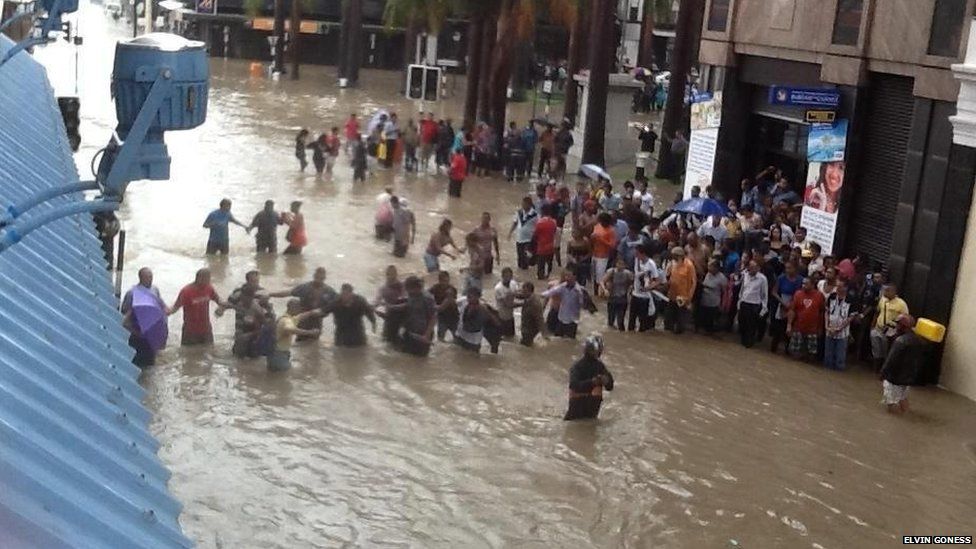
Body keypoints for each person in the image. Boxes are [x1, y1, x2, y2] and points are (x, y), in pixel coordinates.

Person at [270, 267, 337, 341]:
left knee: (314, 342)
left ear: (324, 278)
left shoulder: (329, 291)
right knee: (300, 341)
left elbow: (338, 304)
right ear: (314, 276)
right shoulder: (305, 287)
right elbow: (288, 293)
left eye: (321, 277)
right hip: (303, 319)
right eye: (317, 276)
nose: (319, 279)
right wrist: (270, 294)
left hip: (317, 321)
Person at [121, 267, 169, 367]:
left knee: (151, 364)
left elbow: (161, 305)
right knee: (137, 362)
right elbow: (124, 315)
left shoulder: (155, 289)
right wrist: (136, 332)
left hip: (151, 333)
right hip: (138, 333)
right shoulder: (131, 294)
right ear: (140, 278)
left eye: (151, 277)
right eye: (147, 277)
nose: (150, 279)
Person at [170, 268, 229, 345]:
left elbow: (219, 301)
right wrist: (166, 312)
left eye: (209, 278)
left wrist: (221, 309)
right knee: (189, 354)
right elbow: (175, 307)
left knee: (209, 351)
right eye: (207, 278)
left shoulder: (209, 288)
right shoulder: (186, 291)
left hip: (206, 329)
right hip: (190, 331)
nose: (209, 280)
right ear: (199, 278)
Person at [563, 334, 615, 421]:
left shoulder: (600, 366)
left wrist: (606, 381)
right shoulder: (577, 366)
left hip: (591, 408)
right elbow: (574, 385)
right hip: (578, 407)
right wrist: (592, 382)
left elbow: (610, 386)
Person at [880, 315, 923, 414]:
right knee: (902, 397)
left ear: (903, 326)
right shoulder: (918, 340)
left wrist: (883, 373)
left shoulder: (901, 341)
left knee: (890, 400)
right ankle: (906, 416)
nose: (896, 326)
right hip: (907, 378)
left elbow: (891, 360)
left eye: (898, 324)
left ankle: (894, 419)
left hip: (894, 377)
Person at [388, 276, 437, 356]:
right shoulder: (412, 295)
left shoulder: (427, 298)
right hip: (411, 332)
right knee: (408, 357)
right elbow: (408, 306)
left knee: (420, 360)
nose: (407, 291)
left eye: (408, 289)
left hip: (423, 334)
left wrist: (426, 335)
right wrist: (391, 307)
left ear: (416, 288)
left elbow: (433, 317)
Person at [268, 299, 322, 371]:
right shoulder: (287, 320)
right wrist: (310, 332)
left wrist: (311, 313)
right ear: (294, 308)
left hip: (274, 353)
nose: (300, 310)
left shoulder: (286, 318)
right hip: (279, 355)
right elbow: (289, 329)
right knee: (284, 378)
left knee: (275, 377)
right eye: (299, 308)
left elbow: (300, 317)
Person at [541, 271, 595, 339]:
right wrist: (541, 295)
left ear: (574, 277)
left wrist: (582, 299)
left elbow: (584, 305)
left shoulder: (580, 291)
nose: (566, 278)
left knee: (570, 341)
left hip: (572, 322)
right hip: (561, 319)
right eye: (566, 276)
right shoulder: (562, 286)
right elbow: (551, 292)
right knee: (557, 339)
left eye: (569, 276)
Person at [870, 283, 910, 369]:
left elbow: (906, 319)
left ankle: (885, 369)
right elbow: (877, 312)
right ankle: (875, 368)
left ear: (893, 292)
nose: (885, 292)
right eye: (885, 290)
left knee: (887, 351)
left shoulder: (901, 304)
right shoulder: (882, 300)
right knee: (876, 350)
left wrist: (898, 332)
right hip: (878, 328)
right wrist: (872, 326)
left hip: (890, 331)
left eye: (887, 290)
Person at [787, 277, 825, 361]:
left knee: (811, 355)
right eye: (803, 283)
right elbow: (792, 310)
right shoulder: (798, 294)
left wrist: (820, 328)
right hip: (798, 328)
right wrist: (789, 325)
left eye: (806, 284)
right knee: (795, 353)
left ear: (812, 285)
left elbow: (822, 312)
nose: (803, 286)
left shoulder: (819, 296)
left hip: (813, 330)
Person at [770, 261, 803, 354]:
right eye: (786, 268)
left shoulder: (800, 280)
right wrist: (783, 302)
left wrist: (792, 303)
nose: (787, 270)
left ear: (795, 269)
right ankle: (774, 347)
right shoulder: (781, 278)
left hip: (795, 304)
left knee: (790, 327)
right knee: (778, 327)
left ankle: (788, 348)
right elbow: (774, 292)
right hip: (782, 302)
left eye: (789, 268)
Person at [824, 280, 858, 371]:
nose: (837, 289)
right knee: (828, 357)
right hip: (830, 329)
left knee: (840, 358)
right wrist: (826, 326)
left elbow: (851, 317)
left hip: (842, 332)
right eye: (837, 286)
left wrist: (840, 328)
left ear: (845, 288)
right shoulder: (832, 297)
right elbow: (827, 312)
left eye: (840, 287)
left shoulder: (851, 299)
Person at [230, 288, 271, 359]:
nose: (242, 299)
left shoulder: (257, 309)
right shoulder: (240, 305)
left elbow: (267, 328)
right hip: (241, 339)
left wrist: (249, 335)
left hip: (253, 342)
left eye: (245, 297)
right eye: (241, 297)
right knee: (237, 362)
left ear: (251, 297)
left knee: (252, 362)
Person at [737, 259, 769, 348]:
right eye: (750, 267)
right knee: (742, 323)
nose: (751, 269)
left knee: (751, 325)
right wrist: (739, 302)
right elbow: (742, 289)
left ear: (758, 268)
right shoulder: (745, 276)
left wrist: (763, 309)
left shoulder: (762, 279)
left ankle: (749, 342)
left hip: (754, 305)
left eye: (753, 267)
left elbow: (764, 295)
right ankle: (744, 340)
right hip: (744, 302)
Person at [665, 247, 696, 334]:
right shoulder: (672, 263)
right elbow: (668, 277)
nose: (673, 258)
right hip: (672, 294)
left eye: (674, 256)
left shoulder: (689, 265)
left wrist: (689, 297)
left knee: (680, 320)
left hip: (683, 297)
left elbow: (693, 282)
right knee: (668, 319)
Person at [630, 245, 659, 332]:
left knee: (643, 320)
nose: (635, 255)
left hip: (644, 297)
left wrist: (648, 288)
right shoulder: (636, 260)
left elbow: (657, 280)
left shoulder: (651, 264)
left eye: (637, 253)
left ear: (643, 254)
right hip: (635, 293)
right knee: (631, 319)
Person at [602, 257, 634, 331]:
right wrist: (605, 290)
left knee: (621, 321)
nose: (621, 266)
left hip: (623, 299)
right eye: (619, 264)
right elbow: (602, 281)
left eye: (623, 264)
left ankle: (622, 336)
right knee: (610, 322)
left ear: (625, 265)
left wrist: (631, 289)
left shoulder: (628, 273)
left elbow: (634, 282)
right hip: (612, 298)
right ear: (616, 264)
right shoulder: (611, 272)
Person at [455, 288, 491, 353]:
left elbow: (491, 320)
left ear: (478, 297)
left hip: (474, 340)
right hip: (460, 335)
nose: (469, 299)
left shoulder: (483, 307)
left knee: (473, 359)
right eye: (468, 296)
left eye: (471, 297)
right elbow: (453, 305)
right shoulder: (463, 301)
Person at [509, 196, 539, 271]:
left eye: (524, 204)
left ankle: (527, 271)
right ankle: (521, 274)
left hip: (529, 240)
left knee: (526, 259)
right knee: (520, 259)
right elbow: (515, 223)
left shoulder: (535, 215)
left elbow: (538, 226)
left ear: (529, 204)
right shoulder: (519, 212)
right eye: (522, 204)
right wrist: (510, 232)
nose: (522, 205)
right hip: (519, 239)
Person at [698, 260, 727, 334]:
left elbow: (725, 292)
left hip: (714, 302)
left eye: (710, 266)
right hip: (704, 300)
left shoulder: (722, 278)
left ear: (716, 268)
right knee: (703, 318)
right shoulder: (708, 274)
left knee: (710, 320)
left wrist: (722, 304)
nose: (708, 268)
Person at [430, 271, 459, 341]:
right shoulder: (435, 288)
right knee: (440, 338)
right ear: (439, 281)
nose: (445, 283)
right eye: (443, 281)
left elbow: (442, 307)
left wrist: (432, 306)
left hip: (453, 316)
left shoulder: (451, 290)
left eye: (447, 281)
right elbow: (427, 296)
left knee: (457, 338)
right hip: (442, 317)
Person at [590, 213, 617, 290]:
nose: (602, 223)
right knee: (594, 275)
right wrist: (592, 238)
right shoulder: (597, 226)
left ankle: (600, 292)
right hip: (594, 254)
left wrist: (601, 239)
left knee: (600, 277)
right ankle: (595, 292)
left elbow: (613, 245)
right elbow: (592, 238)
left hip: (603, 256)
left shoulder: (611, 231)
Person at [533, 204, 559, 280]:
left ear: (542, 211)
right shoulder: (554, 222)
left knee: (541, 267)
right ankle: (548, 276)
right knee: (549, 264)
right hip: (550, 247)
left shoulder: (539, 222)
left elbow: (535, 235)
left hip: (541, 247)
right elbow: (554, 233)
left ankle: (541, 279)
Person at [516, 281, 545, 346]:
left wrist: (543, 333)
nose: (522, 292)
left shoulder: (535, 304)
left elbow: (539, 319)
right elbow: (520, 296)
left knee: (525, 346)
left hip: (530, 329)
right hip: (526, 325)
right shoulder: (529, 296)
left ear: (529, 291)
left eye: (524, 291)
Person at [494, 267, 519, 338]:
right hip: (502, 316)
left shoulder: (513, 284)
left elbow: (517, 294)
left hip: (510, 316)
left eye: (510, 276)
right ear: (502, 276)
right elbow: (508, 304)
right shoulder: (498, 288)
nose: (508, 278)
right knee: (503, 338)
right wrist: (524, 304)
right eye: (506, 276)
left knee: (511, 336)